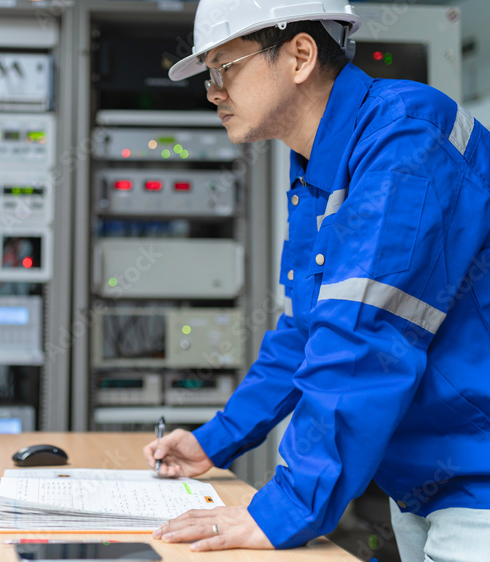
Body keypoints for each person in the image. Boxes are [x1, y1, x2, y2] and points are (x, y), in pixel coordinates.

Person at [141, 0, 490, 559]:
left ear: (300, 55)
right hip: (426, 485)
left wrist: (284, 509)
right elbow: (308, 331)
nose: (212, 91)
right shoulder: (319, 171)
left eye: (224, 68)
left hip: (479, 483)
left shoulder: (405, 138)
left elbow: (362, 339)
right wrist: (215, 441)